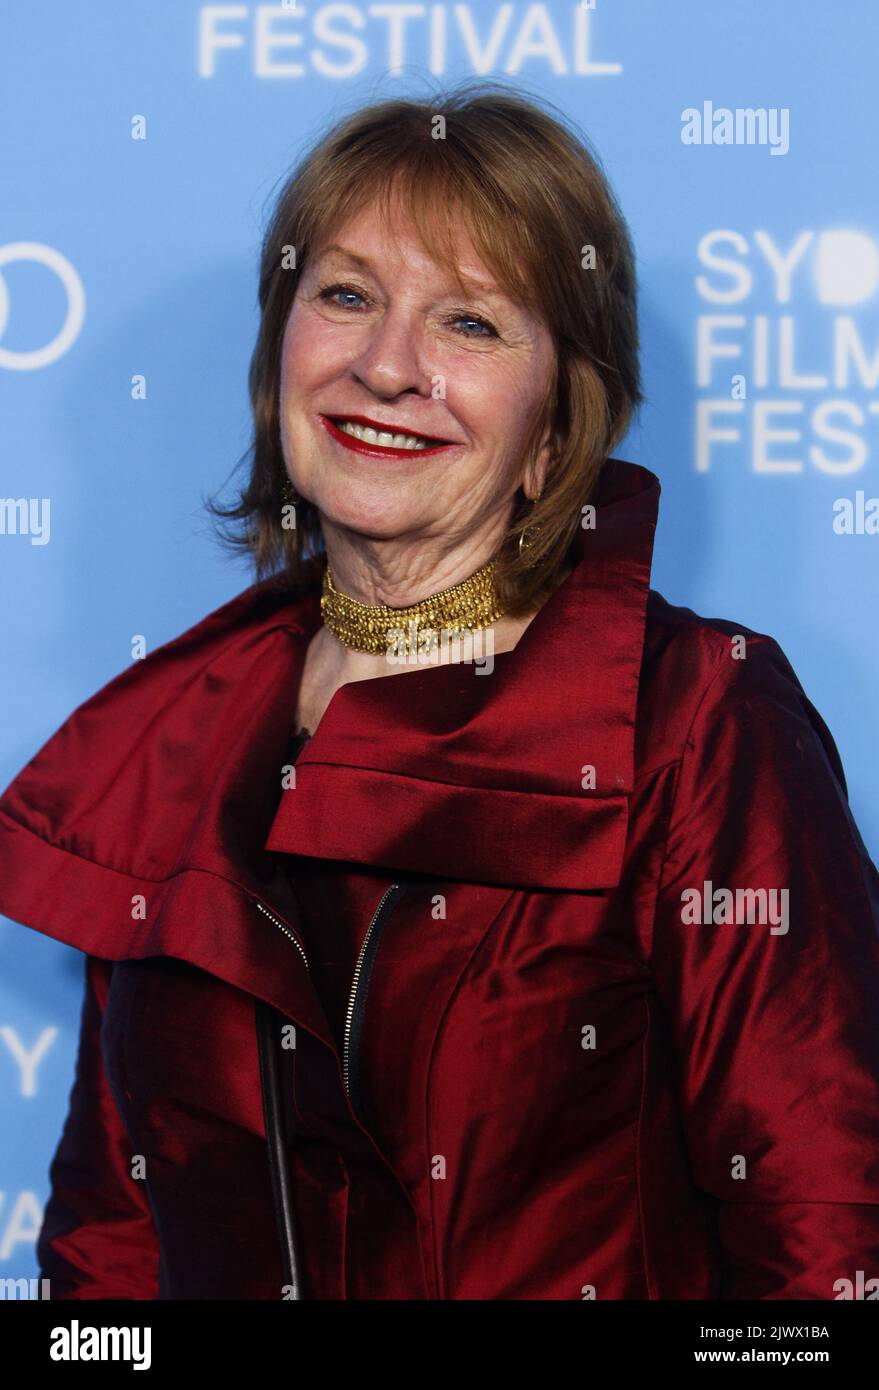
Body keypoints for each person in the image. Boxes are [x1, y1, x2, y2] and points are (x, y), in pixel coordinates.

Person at [1, 83, 878, 1301]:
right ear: (280, 346)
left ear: (556, 419)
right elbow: (109, 1250)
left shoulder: (692, 719)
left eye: (469, 323)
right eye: (347, 294)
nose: (387, 365)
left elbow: (827, 1236)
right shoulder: (176, 738)